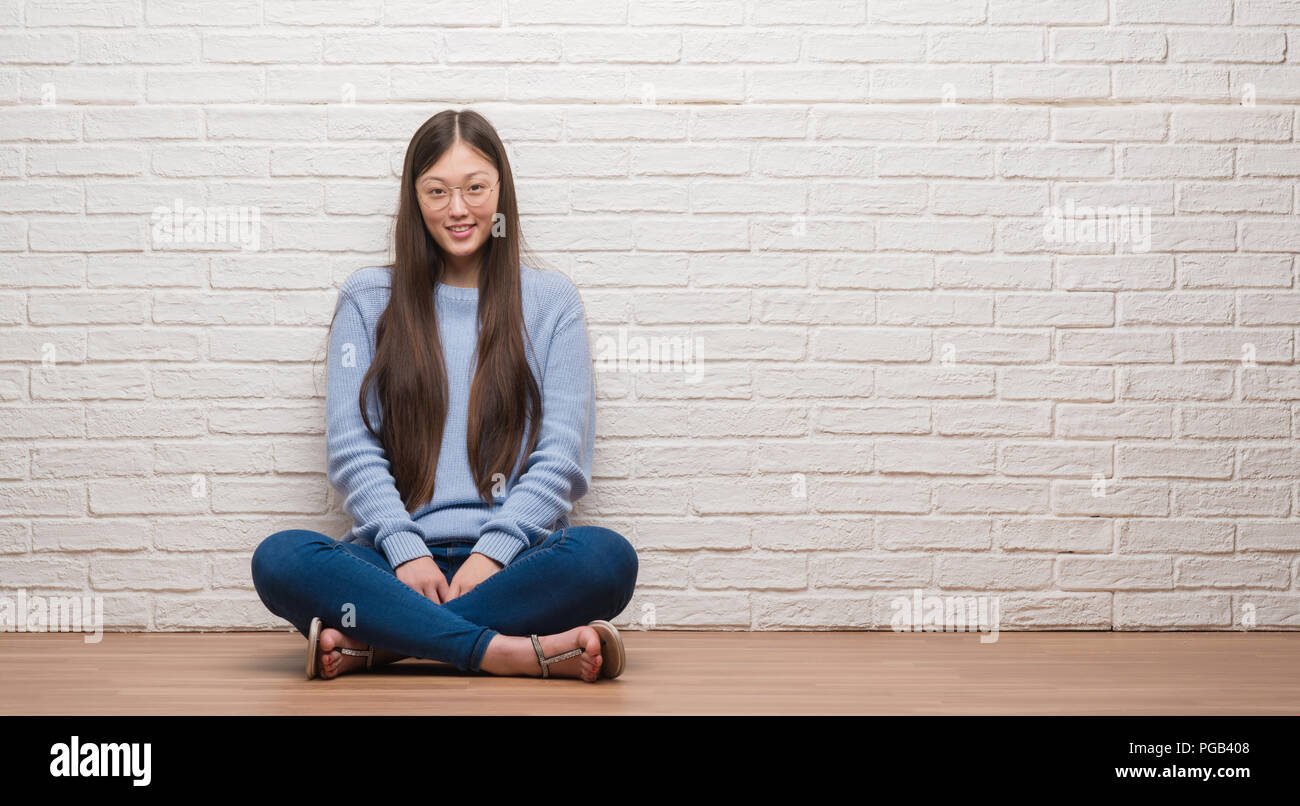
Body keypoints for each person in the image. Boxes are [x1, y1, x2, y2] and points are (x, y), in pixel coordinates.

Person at [251, 108, 638, 682]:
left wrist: (492, 554)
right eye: (438, 191)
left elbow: (562, 457)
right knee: (280, 559)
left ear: (500, 191)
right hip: (389, 564)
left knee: (607, 559)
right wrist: (407, 551)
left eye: (475, 188)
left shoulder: (552, 300)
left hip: (515, 563)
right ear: (415, 200)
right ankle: (505, 651)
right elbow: (352, 448)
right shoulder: (368, 296)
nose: (458, 209)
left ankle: (381, 646)